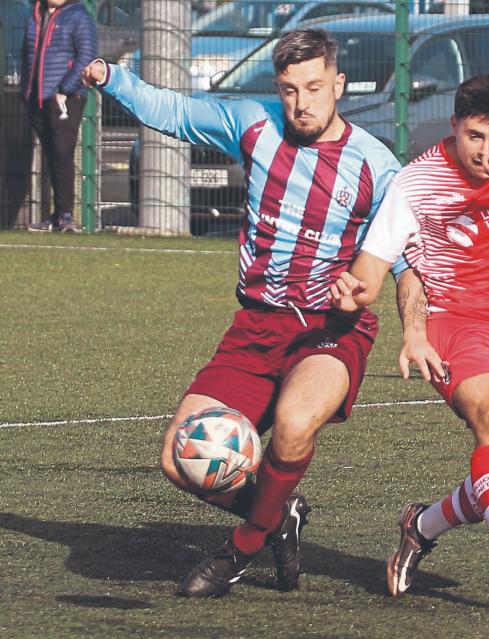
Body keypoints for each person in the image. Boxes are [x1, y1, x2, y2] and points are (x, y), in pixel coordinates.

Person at [81, 28, 401, 597]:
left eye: (314, 88)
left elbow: (408, 260)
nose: (301, 104)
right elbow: (177, 113)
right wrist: (113, 79)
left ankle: (241, 549)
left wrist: (417, 328)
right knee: (180, 459)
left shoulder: (376, 166)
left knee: (295, 424)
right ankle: (279, 515)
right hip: (256, 325)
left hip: (330, 329)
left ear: (339, 84)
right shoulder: (254, 124)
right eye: (289, 90)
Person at [328, 74, 489, 603]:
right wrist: (353, 293)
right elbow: (374, 267)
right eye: (474, 136)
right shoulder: (416, 183)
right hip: (454, 324)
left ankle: (421, 525)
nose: (486, 150)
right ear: (454, 126)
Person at [23, 0, 97, 233]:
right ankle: (57, 216)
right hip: (38, 97)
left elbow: (87, 55)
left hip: (66, 97)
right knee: (53, 155)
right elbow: (27, 53)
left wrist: (66, 89)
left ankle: (66, 216)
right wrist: (26, 90)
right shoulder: (35, 13)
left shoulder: (78, 15)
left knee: (62, 153)